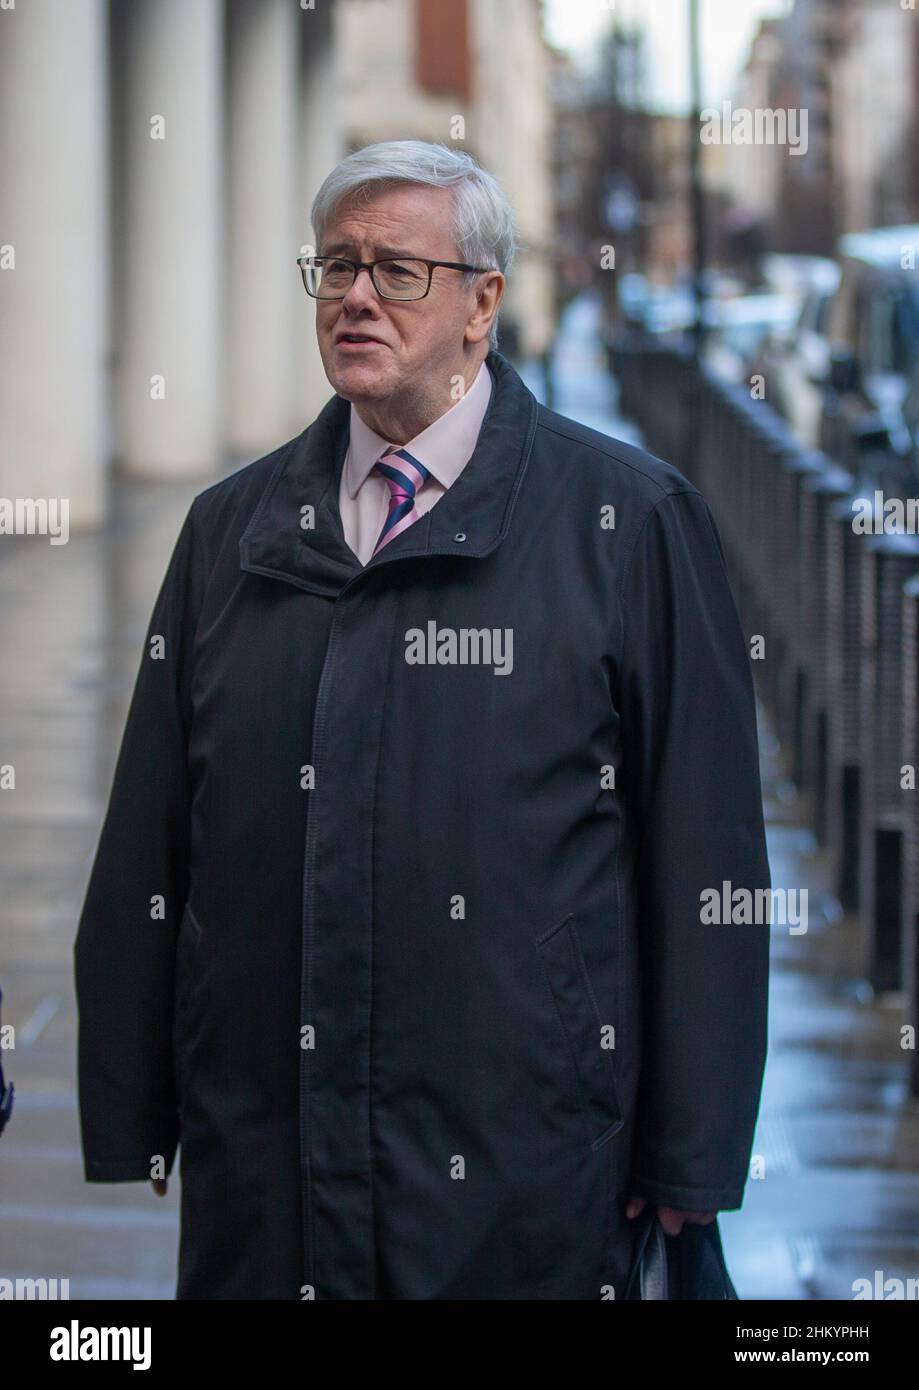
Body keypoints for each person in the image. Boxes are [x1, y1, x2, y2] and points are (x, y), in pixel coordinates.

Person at [74, 140, 770, 1300]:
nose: (355, 294)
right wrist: (136, 1102)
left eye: (398, 270)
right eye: (337, 265)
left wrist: (691, 1149)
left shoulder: (629, 522)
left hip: (524, 1169)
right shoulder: (229, 531)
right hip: (270, 1168)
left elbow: (706, 856)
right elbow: (151, 834)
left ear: (482, 303)